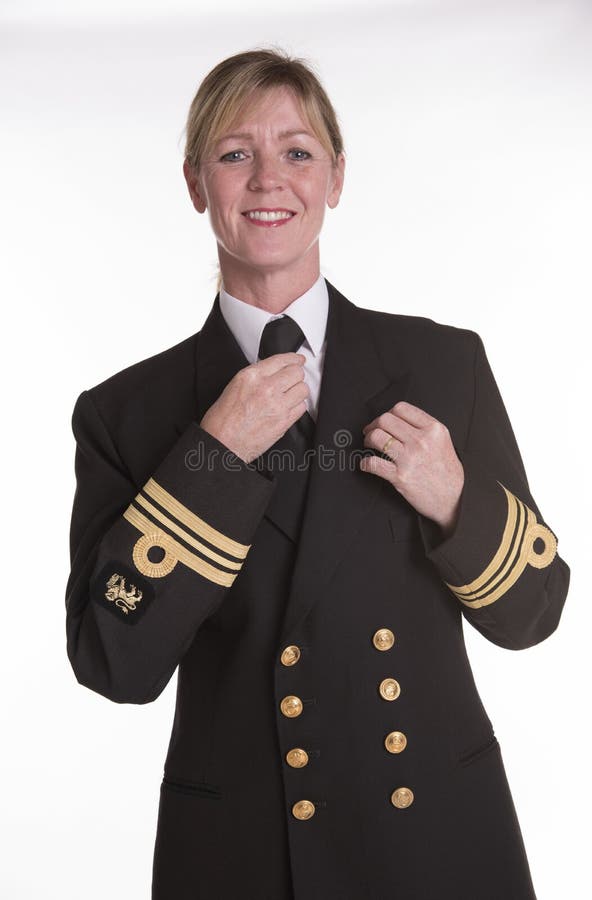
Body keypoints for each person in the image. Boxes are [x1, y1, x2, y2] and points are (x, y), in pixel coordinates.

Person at [65, 47, 570, 900]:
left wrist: (455, 501)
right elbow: (114, 663)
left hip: (438, 840)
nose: (270, 180)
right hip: (245, 852)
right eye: (236, 155)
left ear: (336, 177)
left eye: (298, 152)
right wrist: (210, 460)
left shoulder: (442, 365)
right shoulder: (128, 413)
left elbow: (536, 611)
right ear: (196, 183)